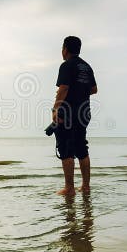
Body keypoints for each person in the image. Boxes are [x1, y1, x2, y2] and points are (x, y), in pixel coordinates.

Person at [53, 36, 97, 196]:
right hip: (84, 112)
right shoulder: (86, 66)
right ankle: (85, 186)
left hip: (68, 111)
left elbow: (63, 88)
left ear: (65, 49)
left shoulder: (66, 66)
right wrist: (79, 90)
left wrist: (55, 109)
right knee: (81, 148)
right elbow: (94, 89)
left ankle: (69, 189)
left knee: (66, 149)